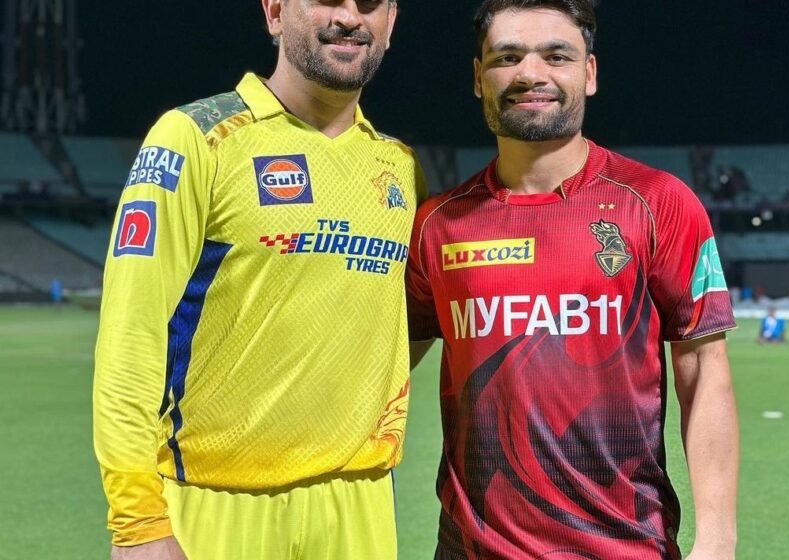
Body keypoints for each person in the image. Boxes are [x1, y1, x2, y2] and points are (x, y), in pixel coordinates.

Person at [406, 1, 739, 558]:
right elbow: (389, 356)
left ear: (588, 72)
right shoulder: (438, 224)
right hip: (470, 547)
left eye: (555, 55)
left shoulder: (659, 202)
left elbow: (703, 366)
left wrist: (718, 541)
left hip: (625, 545)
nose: (530, 74)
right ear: (477, 78)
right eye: (506, 57)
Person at [94, 1, 425, 559]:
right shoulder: (196, 139)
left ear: (391, 22)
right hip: (217, 503)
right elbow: (132, 336)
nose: (350, 16)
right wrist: (137, 522)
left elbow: (390, 329)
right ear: (274, 12)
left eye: (369, 3)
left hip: (361, 507)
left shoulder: (398, 166)